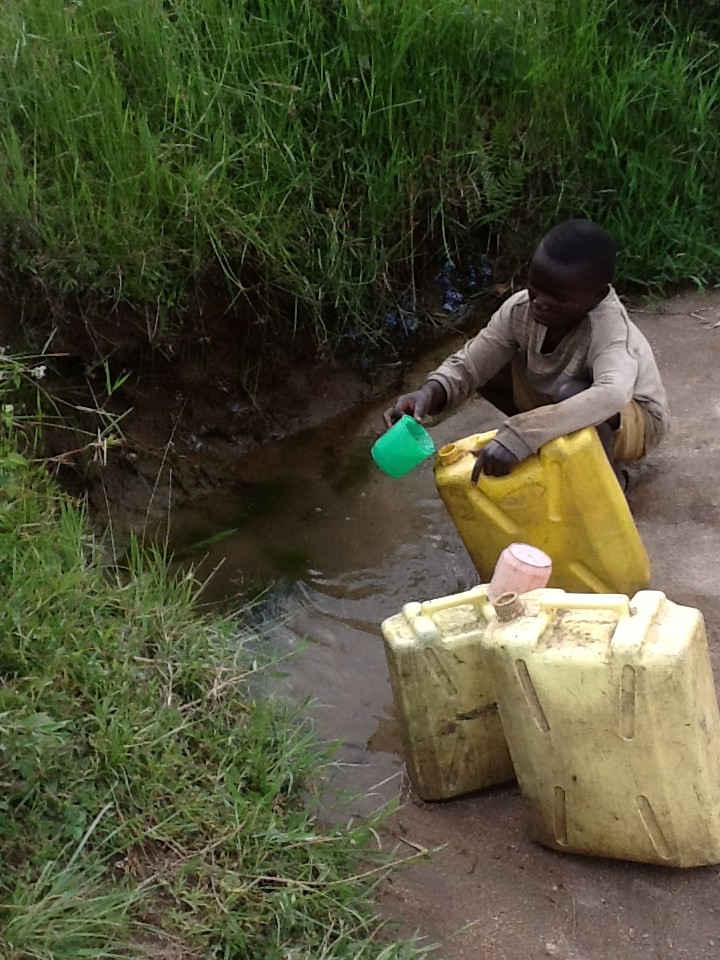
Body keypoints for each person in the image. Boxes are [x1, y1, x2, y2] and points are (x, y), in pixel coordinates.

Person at [384, 219, 669, 485]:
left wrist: (522, 436)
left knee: (572, 393)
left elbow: (612, 395)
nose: (540, 302)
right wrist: (430, 394)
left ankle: (607, 482)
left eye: (558, 297)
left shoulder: (610, 332)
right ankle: (549, 444)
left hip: (634, 421)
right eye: (536, 285)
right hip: (560, 399)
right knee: (491, 368)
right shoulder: (520, 309)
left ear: (595, 296)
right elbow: (472, 363)